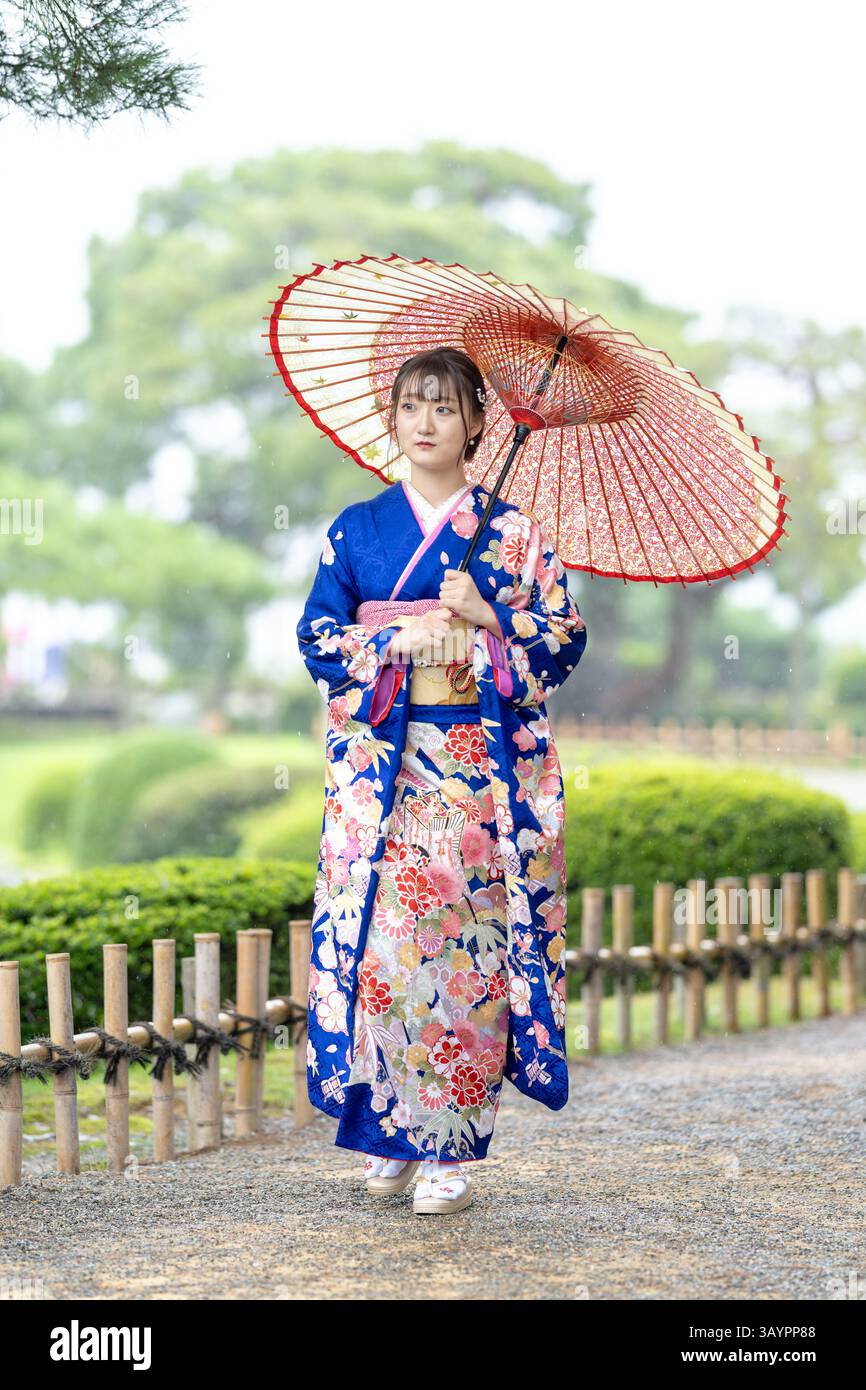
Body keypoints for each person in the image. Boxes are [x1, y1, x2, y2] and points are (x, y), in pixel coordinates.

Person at [296, 346, 588, 1215]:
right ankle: (389, 1134)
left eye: (445, 408)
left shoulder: (514, 535)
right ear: (393, 419)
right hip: (382, 773)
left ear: (475, 424)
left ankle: (450, 1151)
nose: (425, 424)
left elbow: (563, 639)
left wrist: (487, 614)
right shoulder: (355, 529)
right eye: (411, 407)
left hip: (472, 778)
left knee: (464, 948)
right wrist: (394, 640)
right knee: (380, 949)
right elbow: (317, 636)